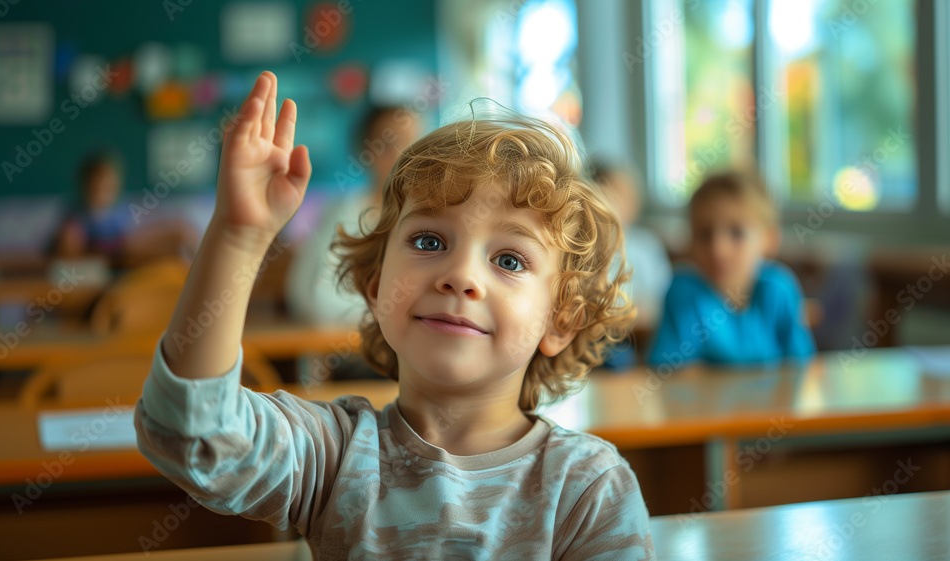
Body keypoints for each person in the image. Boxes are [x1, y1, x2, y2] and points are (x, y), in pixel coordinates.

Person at [134, 72, 654, 559]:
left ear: (560, 321)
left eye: (509, 260)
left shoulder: (588, 488)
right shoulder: (334, 456)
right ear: (377, 286)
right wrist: (237, 236)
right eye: (429, 240)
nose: (461, 276)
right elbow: (191, 433)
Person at [647, 170, 816, 367]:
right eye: (704, 234)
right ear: (690, 240)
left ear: (769, 240)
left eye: (737, 233)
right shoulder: (683, 292)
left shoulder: (778, 288)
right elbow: (671, 374)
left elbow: (802, 367)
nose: (718, 250)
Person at [285, 105, 421, 327]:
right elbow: (315, 298)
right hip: (343, 346)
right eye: (388, 144)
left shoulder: (430, 219)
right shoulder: (343, 213)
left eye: (414, 143)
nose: (402, 155)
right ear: (367, 151)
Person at [49, 151, 199, 266]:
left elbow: (131, 239)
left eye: (107, 187)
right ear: (84, 186)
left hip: (124, 255)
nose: (101, 192)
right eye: (95, 187)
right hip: (93, 265)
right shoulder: (74, 216)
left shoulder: (124, 210)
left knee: (180, 231)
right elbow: (66, 250)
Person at [590, 161, 672, 370]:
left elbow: (662, 299)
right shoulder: (585, 246)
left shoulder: (645, 245)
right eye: (601, 193)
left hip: (636, 338)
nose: (610, 202)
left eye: (619, 196)